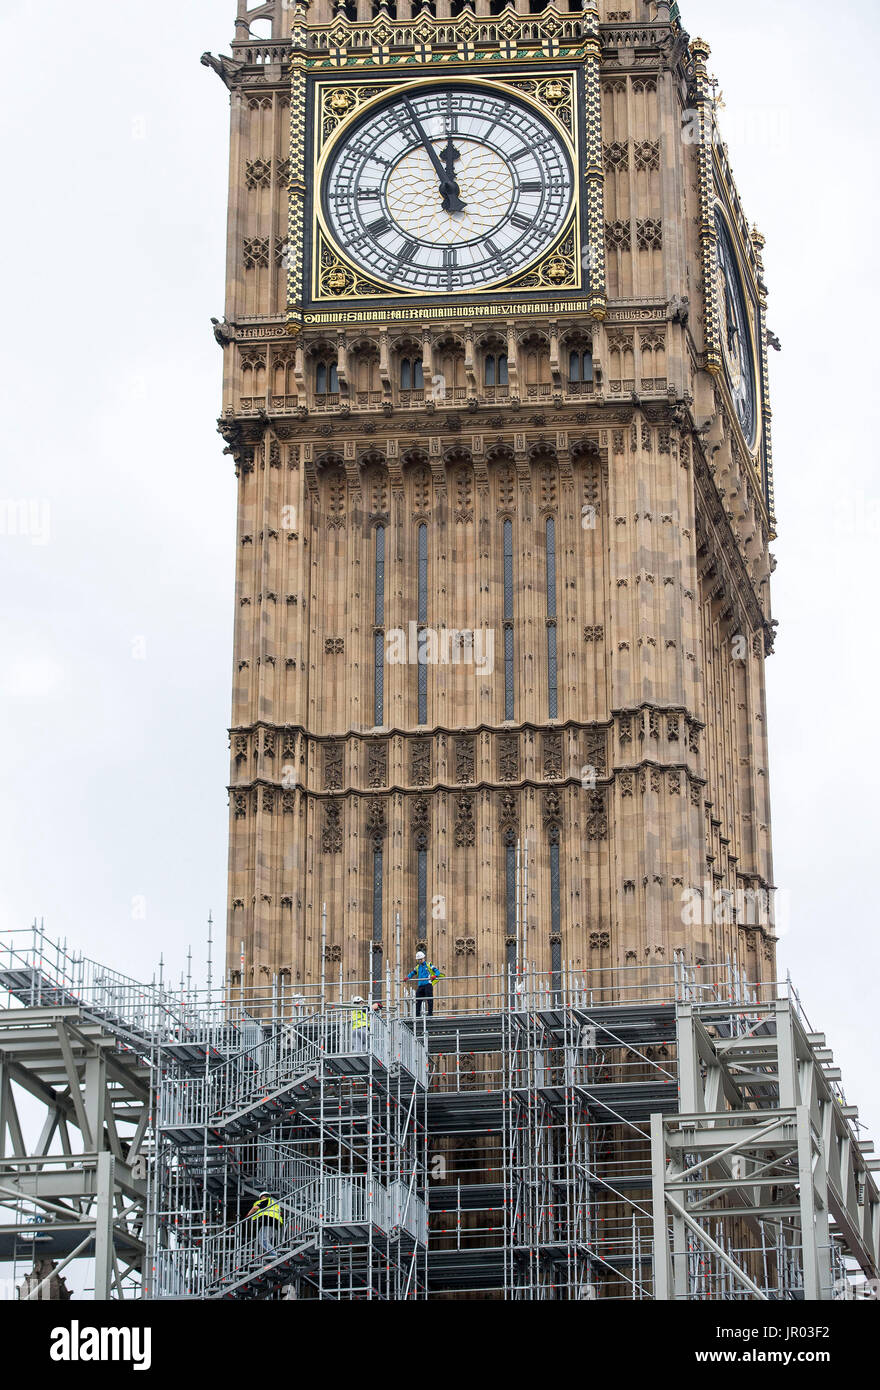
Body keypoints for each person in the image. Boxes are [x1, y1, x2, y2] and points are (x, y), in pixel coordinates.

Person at [406, 952, 445, 1017]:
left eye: (421, 959)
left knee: (429, 1000)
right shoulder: (417, 967)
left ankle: (430, 1014)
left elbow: (437, 971)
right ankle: (417, 1014)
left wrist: (435, 976)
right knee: (418, 1000)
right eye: (419, 960)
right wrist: (408, 977)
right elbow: (413, 973)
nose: (420, 961)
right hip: (420, 985)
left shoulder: (429, 965)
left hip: (428, 984)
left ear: (424, 958)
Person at [246, 1191, 283, 1256]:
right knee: (263, 1240)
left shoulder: (265, 1200)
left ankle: (275, 1254)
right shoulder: (274, 1204)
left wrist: (247, 1216)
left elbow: (255, 1208)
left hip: (268, 1221)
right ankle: (272, 1253)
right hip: (275, 1224)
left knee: (263, 1240)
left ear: (262, 1197)